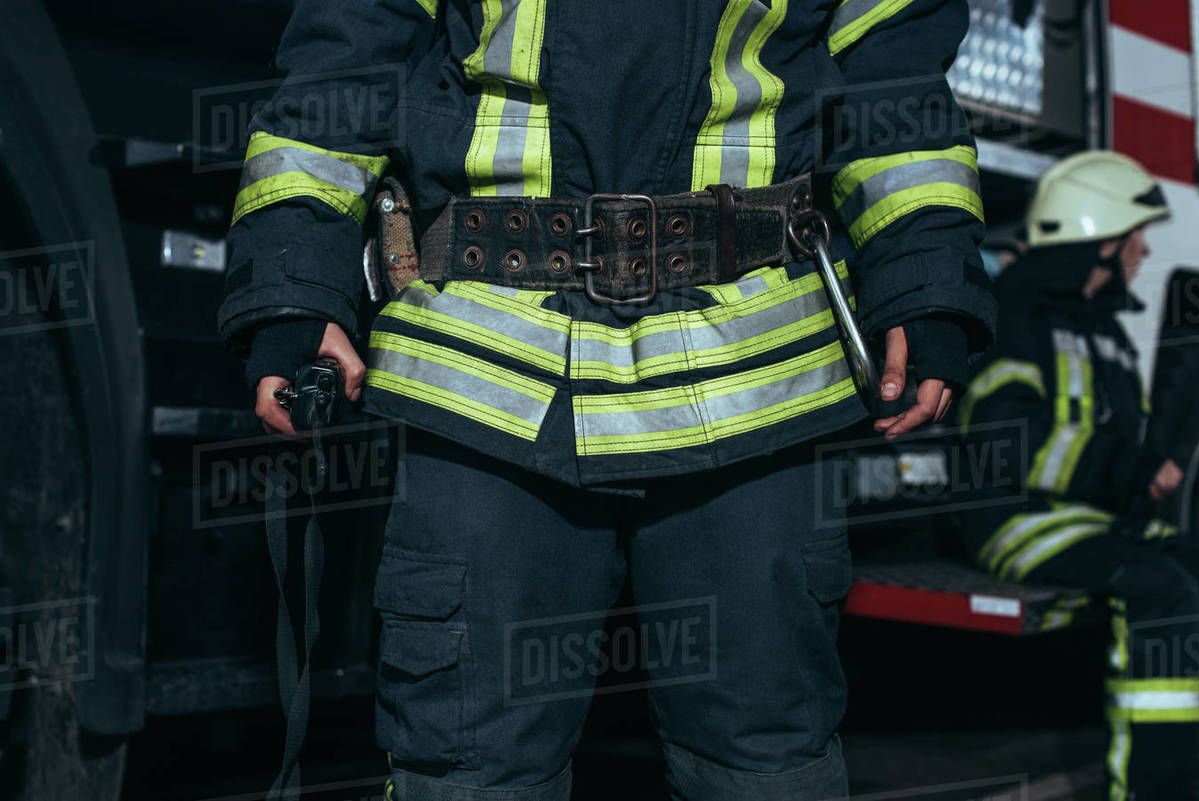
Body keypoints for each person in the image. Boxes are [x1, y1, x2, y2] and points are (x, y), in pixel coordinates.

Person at [218, 1, 995, 798]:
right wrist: (292, 283)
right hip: (494, 373)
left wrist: (924, 277)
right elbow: (349, 51)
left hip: (750, 380)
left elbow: (894, 73)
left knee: (766, 764)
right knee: (471, 768)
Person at [958, 150, 1199, 801]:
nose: (1145, 251)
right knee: (1160, 589)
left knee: (1192, 565)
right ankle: (1157, 786)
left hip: (1085, 519)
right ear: (1098, 241)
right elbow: (1004, 440)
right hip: (1015, 518)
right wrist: (1130, 467)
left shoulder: (1106, 332)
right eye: (1135, 236)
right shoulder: (1016, 317)